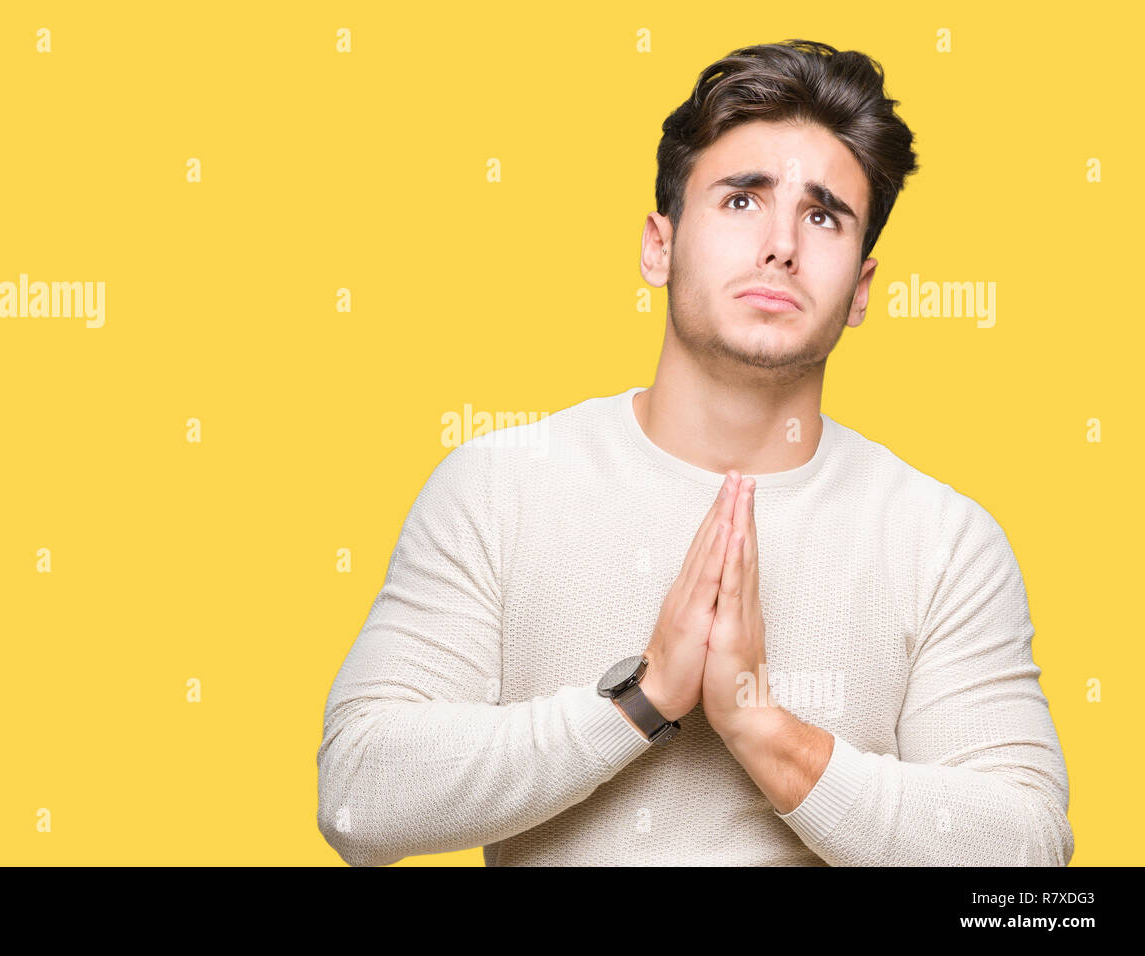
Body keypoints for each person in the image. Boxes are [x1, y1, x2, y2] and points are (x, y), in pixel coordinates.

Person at [316, 38, 1074, 867]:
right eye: (742, 201)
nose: (782, 244)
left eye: (823, 216)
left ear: (860, 289)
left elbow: (1027, 853)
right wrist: (641, 702)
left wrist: (763, 730)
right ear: (658, 246)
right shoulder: (499, 488)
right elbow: (357, 796)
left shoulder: (945, 542)